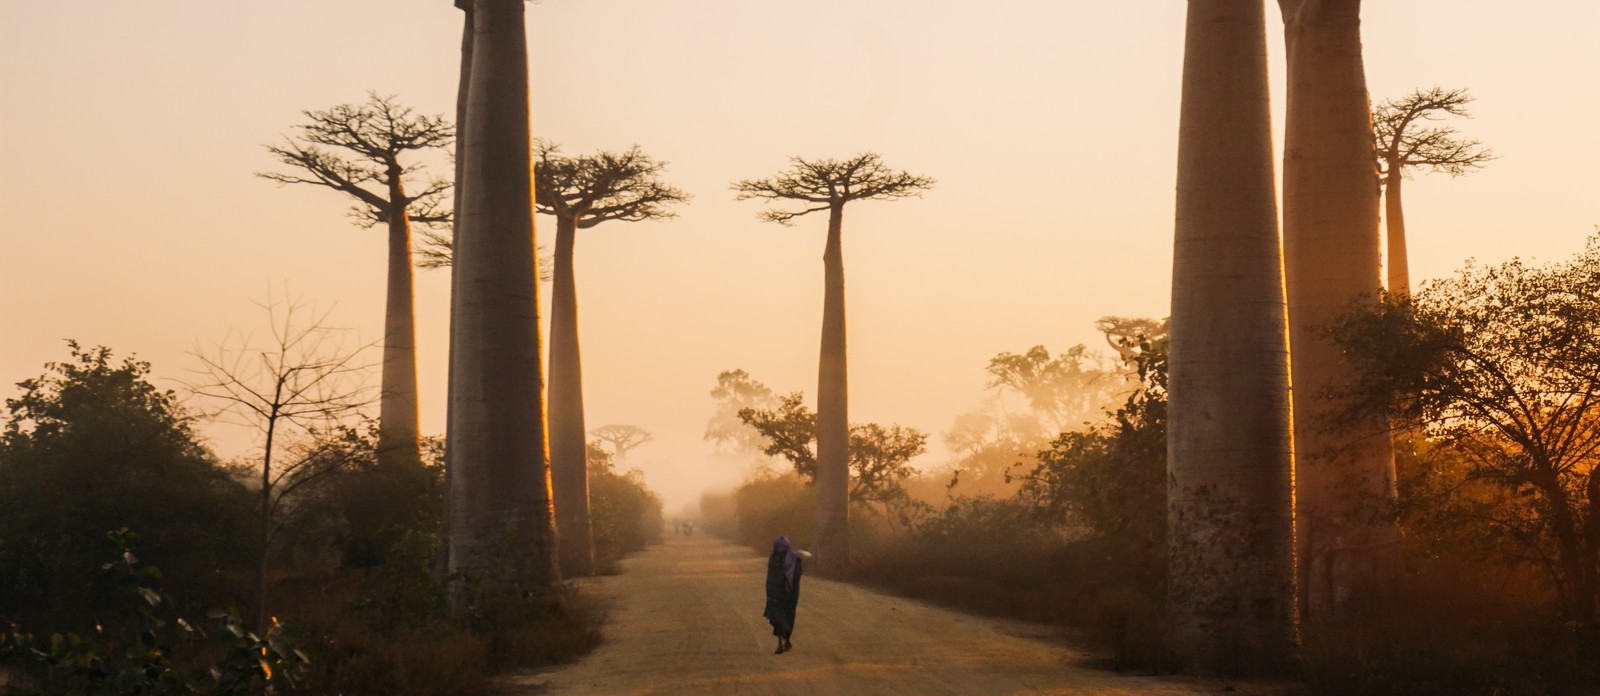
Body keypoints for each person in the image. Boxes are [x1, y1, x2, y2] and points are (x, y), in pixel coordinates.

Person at [763, 535, 804, 654]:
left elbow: (771, 577)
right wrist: (799, 561)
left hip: (776, 595)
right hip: (790, 595)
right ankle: (787, 641)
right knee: (789, 616)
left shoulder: (772, 559)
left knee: (778, 617)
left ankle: (780, 642)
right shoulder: (793, 558)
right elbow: (797, 575)